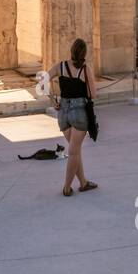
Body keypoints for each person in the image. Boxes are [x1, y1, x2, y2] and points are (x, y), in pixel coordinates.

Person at [49, 38, 98, 197]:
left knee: (75, 151)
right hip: (78, 112)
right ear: (84, 53)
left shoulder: (60, 66)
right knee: (74, 152)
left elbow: (42, 80)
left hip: (63, 111)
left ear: (71, 51)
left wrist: (52, 99)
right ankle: (67, 188)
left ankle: (83, 182)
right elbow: (93, 94)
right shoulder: (85, 70)